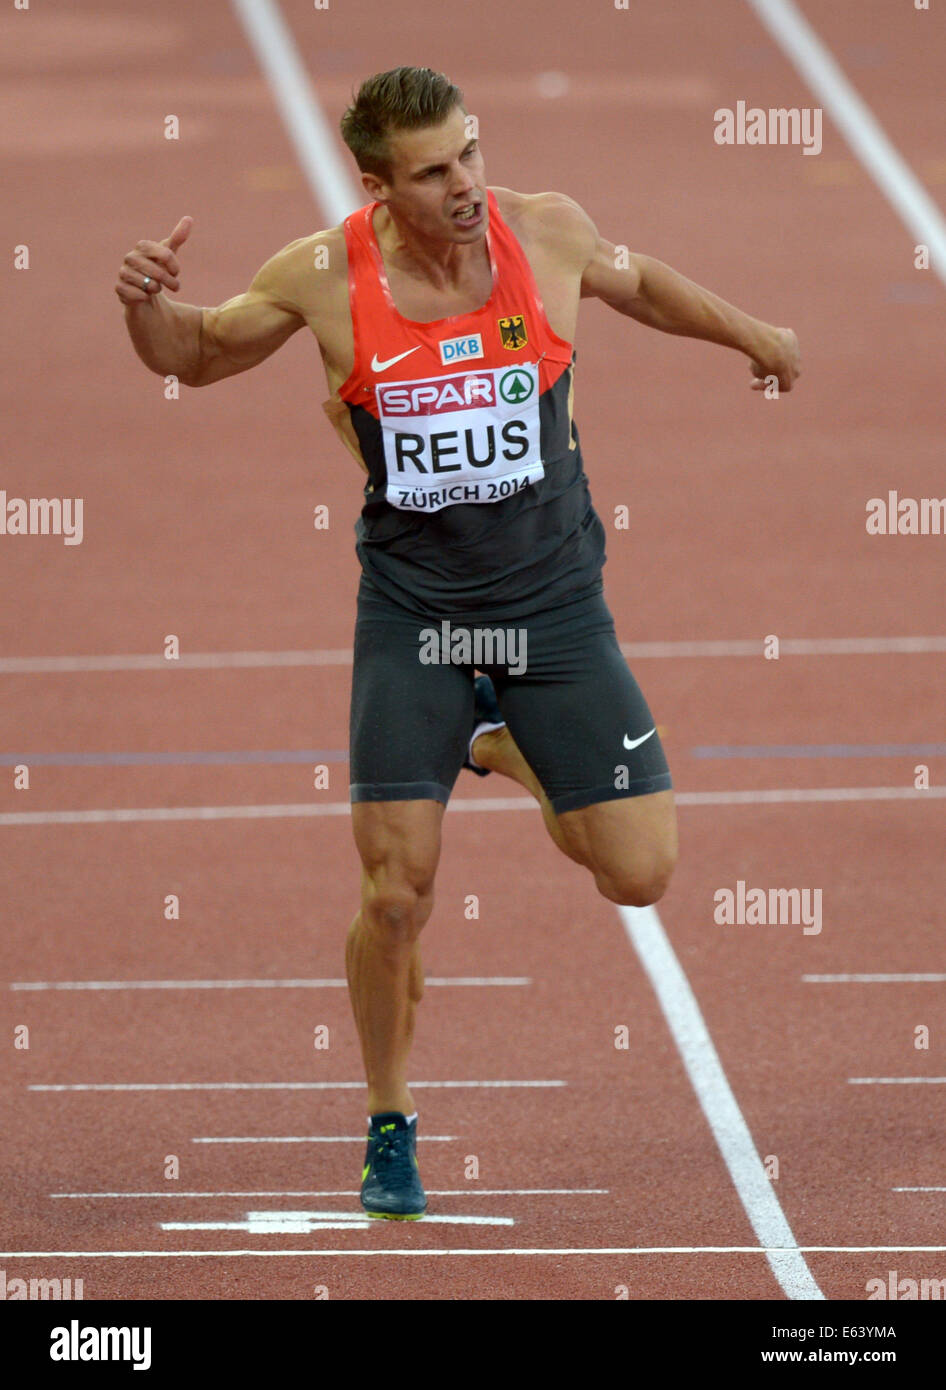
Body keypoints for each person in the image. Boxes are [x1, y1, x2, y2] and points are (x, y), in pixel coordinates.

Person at [115, 65, 800, 1221]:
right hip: (417, 620)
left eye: (470, 153)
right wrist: (144, 302)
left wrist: (756, 333)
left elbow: (642, 287)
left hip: (555, 610)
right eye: (434, 172)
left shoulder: (546, 231)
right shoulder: (324, 278)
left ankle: (496, 739)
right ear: (378, 183)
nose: (467, 184)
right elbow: (197, 353)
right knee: (394, 894)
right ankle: (390, 1121)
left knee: (638, 873)